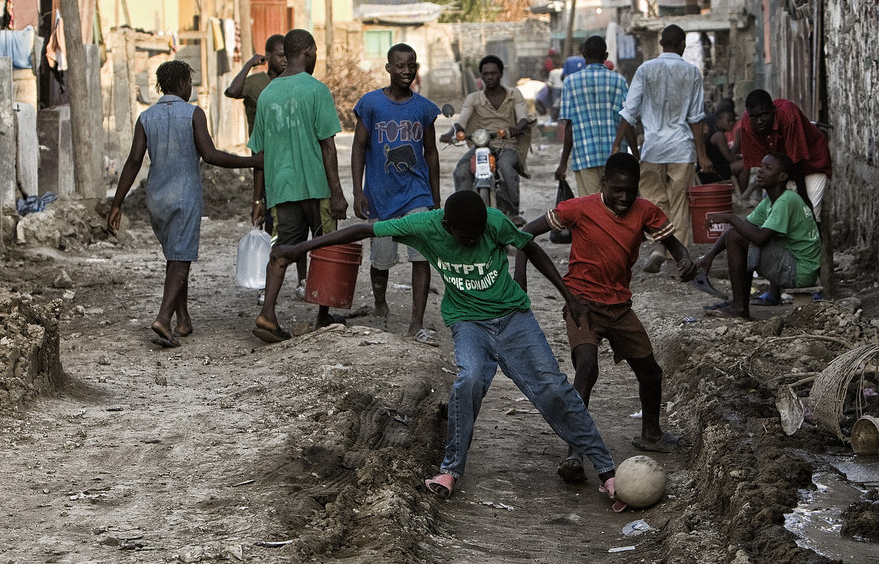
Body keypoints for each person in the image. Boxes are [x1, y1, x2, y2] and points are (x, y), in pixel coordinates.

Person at [267, 191, 624, 507]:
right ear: (447, 225)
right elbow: (363, 230)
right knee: (468, 380)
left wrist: (569, 296)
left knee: (554, 388)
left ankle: (606, 469)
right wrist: (299, 248)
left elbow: (529, 246)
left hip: (514, 319)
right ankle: (450, 471)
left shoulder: (494, 222)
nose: (472, 241)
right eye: (465, 236)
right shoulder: (425, 226)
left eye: (478, 236)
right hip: (468, 322)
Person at [515, 153, 696, 481]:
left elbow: (674, 244)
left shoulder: (645, 211)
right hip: (582, 303)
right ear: (603, 185)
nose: (624, 198)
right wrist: (520, 277)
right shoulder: (579, 208)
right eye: (617, 190)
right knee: (587, 368)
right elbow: (526, 233)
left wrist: (684, 260)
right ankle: (574, 451)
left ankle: (651, 434)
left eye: (630, 191)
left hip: (620, 307)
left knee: (652, 374)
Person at [107, 60, 261, 347]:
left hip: (156, 198)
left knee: (175, 256)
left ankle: (183, 320)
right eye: (189, 83)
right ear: (180, 85)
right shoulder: (193, 114)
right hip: (185, 197)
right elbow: (211, 154)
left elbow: (133, 162)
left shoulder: (146, 117)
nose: (191, 88)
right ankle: (163, 319)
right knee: (181, 260)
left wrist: (117, 203)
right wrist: (252, 161)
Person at [248, 28, 348, 342]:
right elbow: (328, 146)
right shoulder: (317, 90)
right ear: (307, 52)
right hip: (317, 188)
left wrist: (260, 198)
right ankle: (322, 316)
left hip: (281, 189)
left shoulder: (267, 94)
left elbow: (259, 152)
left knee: (280, 252)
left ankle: (268, 314)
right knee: (325, 250)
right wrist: (338, 193)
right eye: (314, 52)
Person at [352, 43, 442, 342]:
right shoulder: (371, 104)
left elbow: (431, 154)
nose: (406, 71)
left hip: (417, 193)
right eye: (400, 66)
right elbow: (359, 147)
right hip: (380, 194)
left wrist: (434, 197)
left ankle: (416, 323)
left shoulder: (424, 108)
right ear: (388, 68)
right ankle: (380, 303)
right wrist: (358, 191)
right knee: (381, 261)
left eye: (411, 65)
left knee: (420, 256)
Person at [613, 24, 712, 271]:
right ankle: (677, 258)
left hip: (654, 147)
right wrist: (702, 154)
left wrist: (617, 145)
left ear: (660, 44)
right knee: (679, 201)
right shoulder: (692, 72)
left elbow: (629, 112)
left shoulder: (646, 70)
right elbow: (696, 118)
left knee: (655, 200)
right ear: (682, 45)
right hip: (682, 148)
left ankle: (659, 244)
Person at [695, 152, 821, 320]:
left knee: (736, 238)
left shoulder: (786, 200)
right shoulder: (770, 201)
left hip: (800, 271)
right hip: (796, 265)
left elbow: (760, 238)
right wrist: (709, 256)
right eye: (761, 166)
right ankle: (738, 305)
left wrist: (730, 217)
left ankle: (739, 307)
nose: (760, 171)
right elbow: (743, 228)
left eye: (768, 168)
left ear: (782, 176)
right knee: (736, 235)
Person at [734, 88, 833, 300]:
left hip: (810, 163)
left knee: (809, 217)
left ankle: (816, 282)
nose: (759, 121)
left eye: (764, 115)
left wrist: (802, 201)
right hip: (781, 171)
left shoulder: (788, 114)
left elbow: (797, 161)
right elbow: (763, 165)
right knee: (773, 225)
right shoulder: (748, 124)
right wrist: (768, 199)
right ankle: (775, 290)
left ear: (773, 111)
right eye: (755, 117)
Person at [442, 55, 531, 224]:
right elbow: (461, 122)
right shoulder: (473, 98)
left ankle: (513, 211)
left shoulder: (514, 94)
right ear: (481, 76)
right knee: (461, 170)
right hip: (481, 145)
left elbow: (523, 118)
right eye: (486, 73)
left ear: (501, 73)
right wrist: (450, 133)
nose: (490, 77)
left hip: (507, 144)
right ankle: (462, 214)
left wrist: (517, 128)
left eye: (493, 73)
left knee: (506, 166)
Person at [224, 34, 287, 235]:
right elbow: (232, 91)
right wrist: (250, 63)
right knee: (269, 213)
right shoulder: (257, 82)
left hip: (288, 153)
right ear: (268, 56)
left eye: (288, 56)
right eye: (280, 55)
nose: (285, 60)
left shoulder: (292, 82)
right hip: (263, 153)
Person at [555, 35, 629, 197]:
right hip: (616, 157)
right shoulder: (619, 81)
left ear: (584, 54)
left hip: (585, 156)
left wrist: (563, 164)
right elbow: (627, 120)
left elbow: (570, 127)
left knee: (592, 208)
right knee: (616, 205)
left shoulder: (570, 83)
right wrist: (635, 157)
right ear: (606, 57)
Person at [699, 99, 742, 185]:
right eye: (728, 121)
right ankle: (744, 194)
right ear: (719, 119)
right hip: (711, 173)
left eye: (733, 121)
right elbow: (730, 158)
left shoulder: (716, 132)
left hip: (712, 169)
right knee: (745, 165)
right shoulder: (719, 135)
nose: (732, 124)